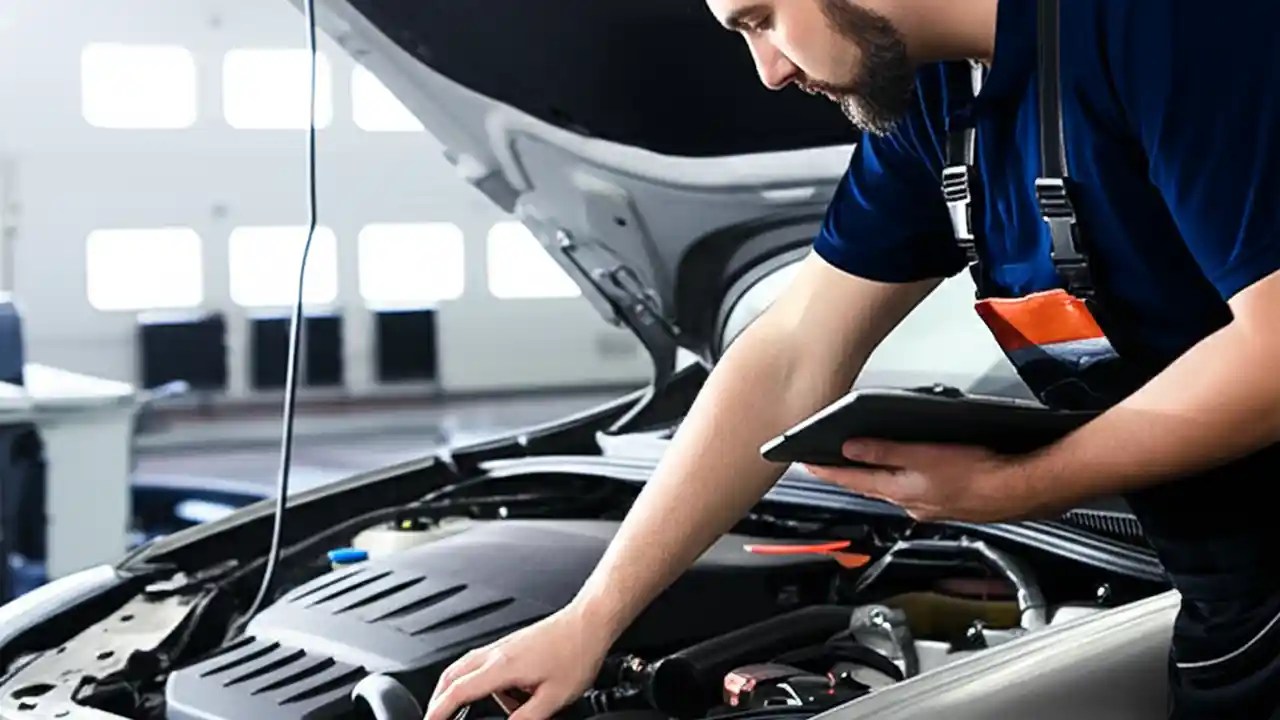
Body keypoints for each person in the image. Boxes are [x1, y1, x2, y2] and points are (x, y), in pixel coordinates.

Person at [426, 0, 1280, 717]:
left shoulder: (1169, 25)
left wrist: (1019, 486)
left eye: (762, 20)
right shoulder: (941, 104)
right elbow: (793, 352)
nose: (768, 71)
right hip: (1228, 609)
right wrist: (591, 617)